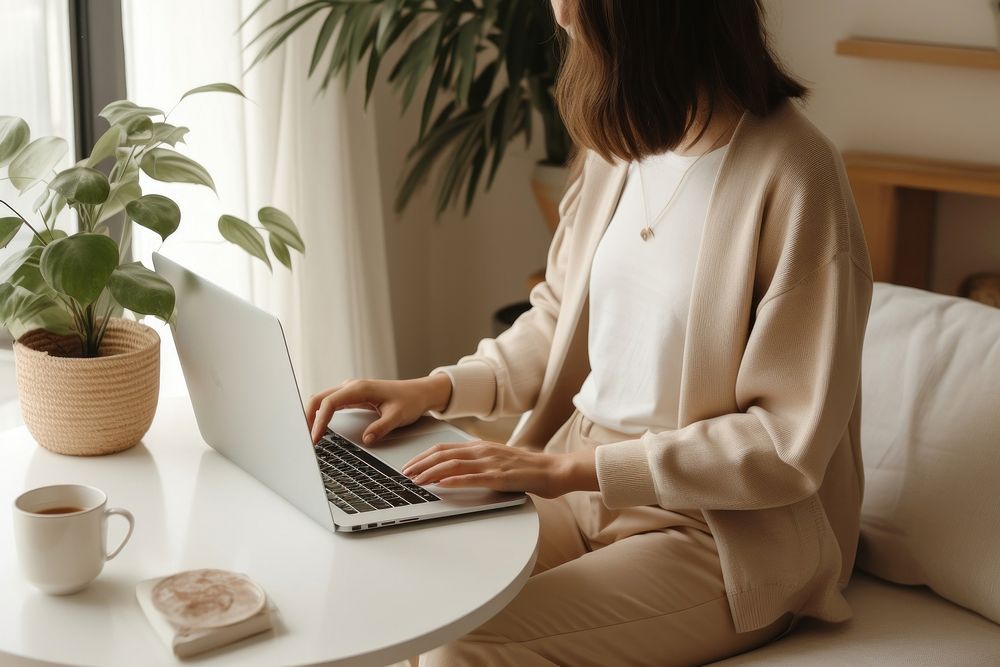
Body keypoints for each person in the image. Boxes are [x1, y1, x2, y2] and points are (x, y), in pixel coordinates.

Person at [307, 1, 874, 664]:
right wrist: (435, 388)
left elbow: (783, 443)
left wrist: (567, 469)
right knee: (393, 592)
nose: (561, 13)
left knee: (459, 646)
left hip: (712, 529)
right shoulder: (621, 145)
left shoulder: (797, 173)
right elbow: (558, 321)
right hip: (577, 481)